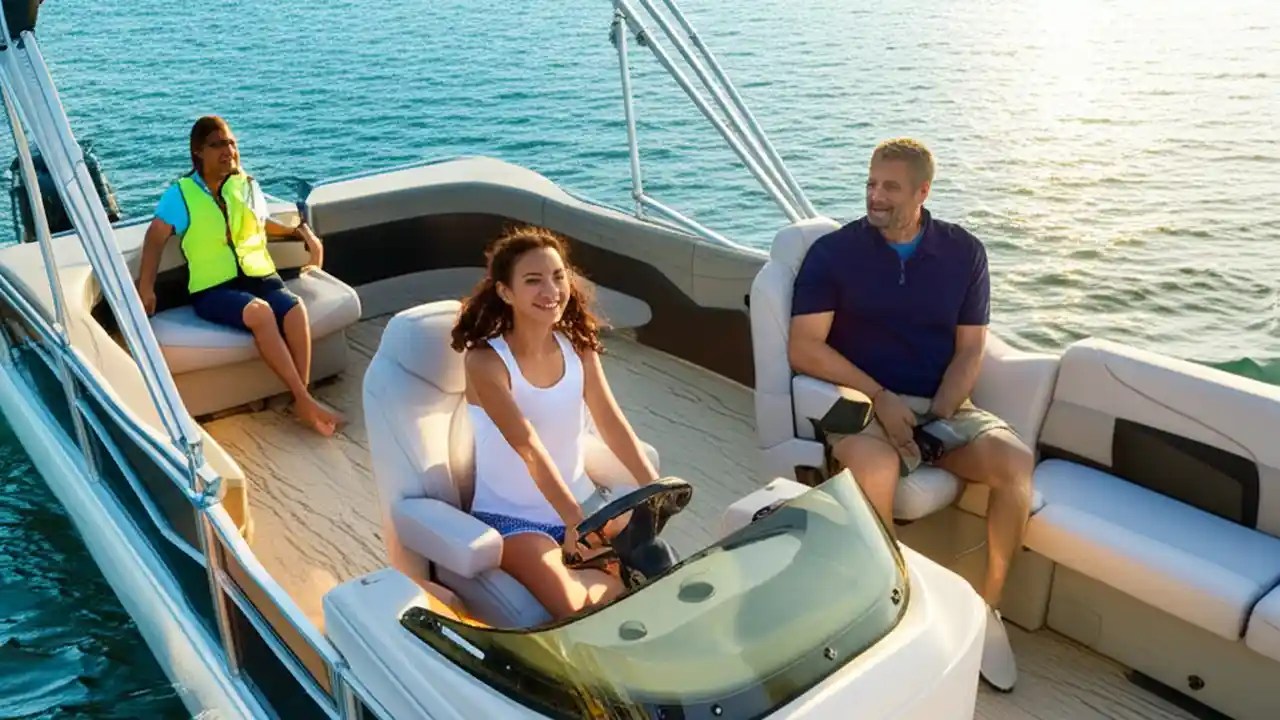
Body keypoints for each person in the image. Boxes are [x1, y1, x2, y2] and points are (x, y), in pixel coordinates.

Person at [788, 137, 1033, 691]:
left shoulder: (963, 252)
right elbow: (803, 347)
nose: (875, 196)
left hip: (940, 403)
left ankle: (986, 608)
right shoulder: (834, 254)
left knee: (1015, 463)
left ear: (922, 192)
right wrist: (882, 397)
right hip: (859, 402)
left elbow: (970, 348)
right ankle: (884, 607)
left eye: (889, 187)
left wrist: (939, 422)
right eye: (871, 183)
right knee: (876, 470)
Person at [451, 226, 660, 620]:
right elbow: (528, 446)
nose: (552, 290)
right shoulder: (486, 362)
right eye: (533, 280)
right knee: (572, 604)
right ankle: (617, 586)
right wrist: (574, 523)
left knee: (659, 564)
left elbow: (610, 421)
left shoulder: (578, 345)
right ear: (505, 292)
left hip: (585, 503)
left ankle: (621, 585)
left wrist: (654, 487)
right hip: (516, 520)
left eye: (558, 276)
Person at [135, 115, 340, 436]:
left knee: (295, 309)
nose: (228, 150)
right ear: (198, 152)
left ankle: (301, 397)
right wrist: (146, 286)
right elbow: (155, 237)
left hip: (259, 276)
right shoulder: (181, 194)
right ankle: (303, 399)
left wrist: (298, 233)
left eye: (231, 143)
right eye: (217, 144)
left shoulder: (246, 186)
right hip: (213, 288)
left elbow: (261, 224)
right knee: (260, 313)